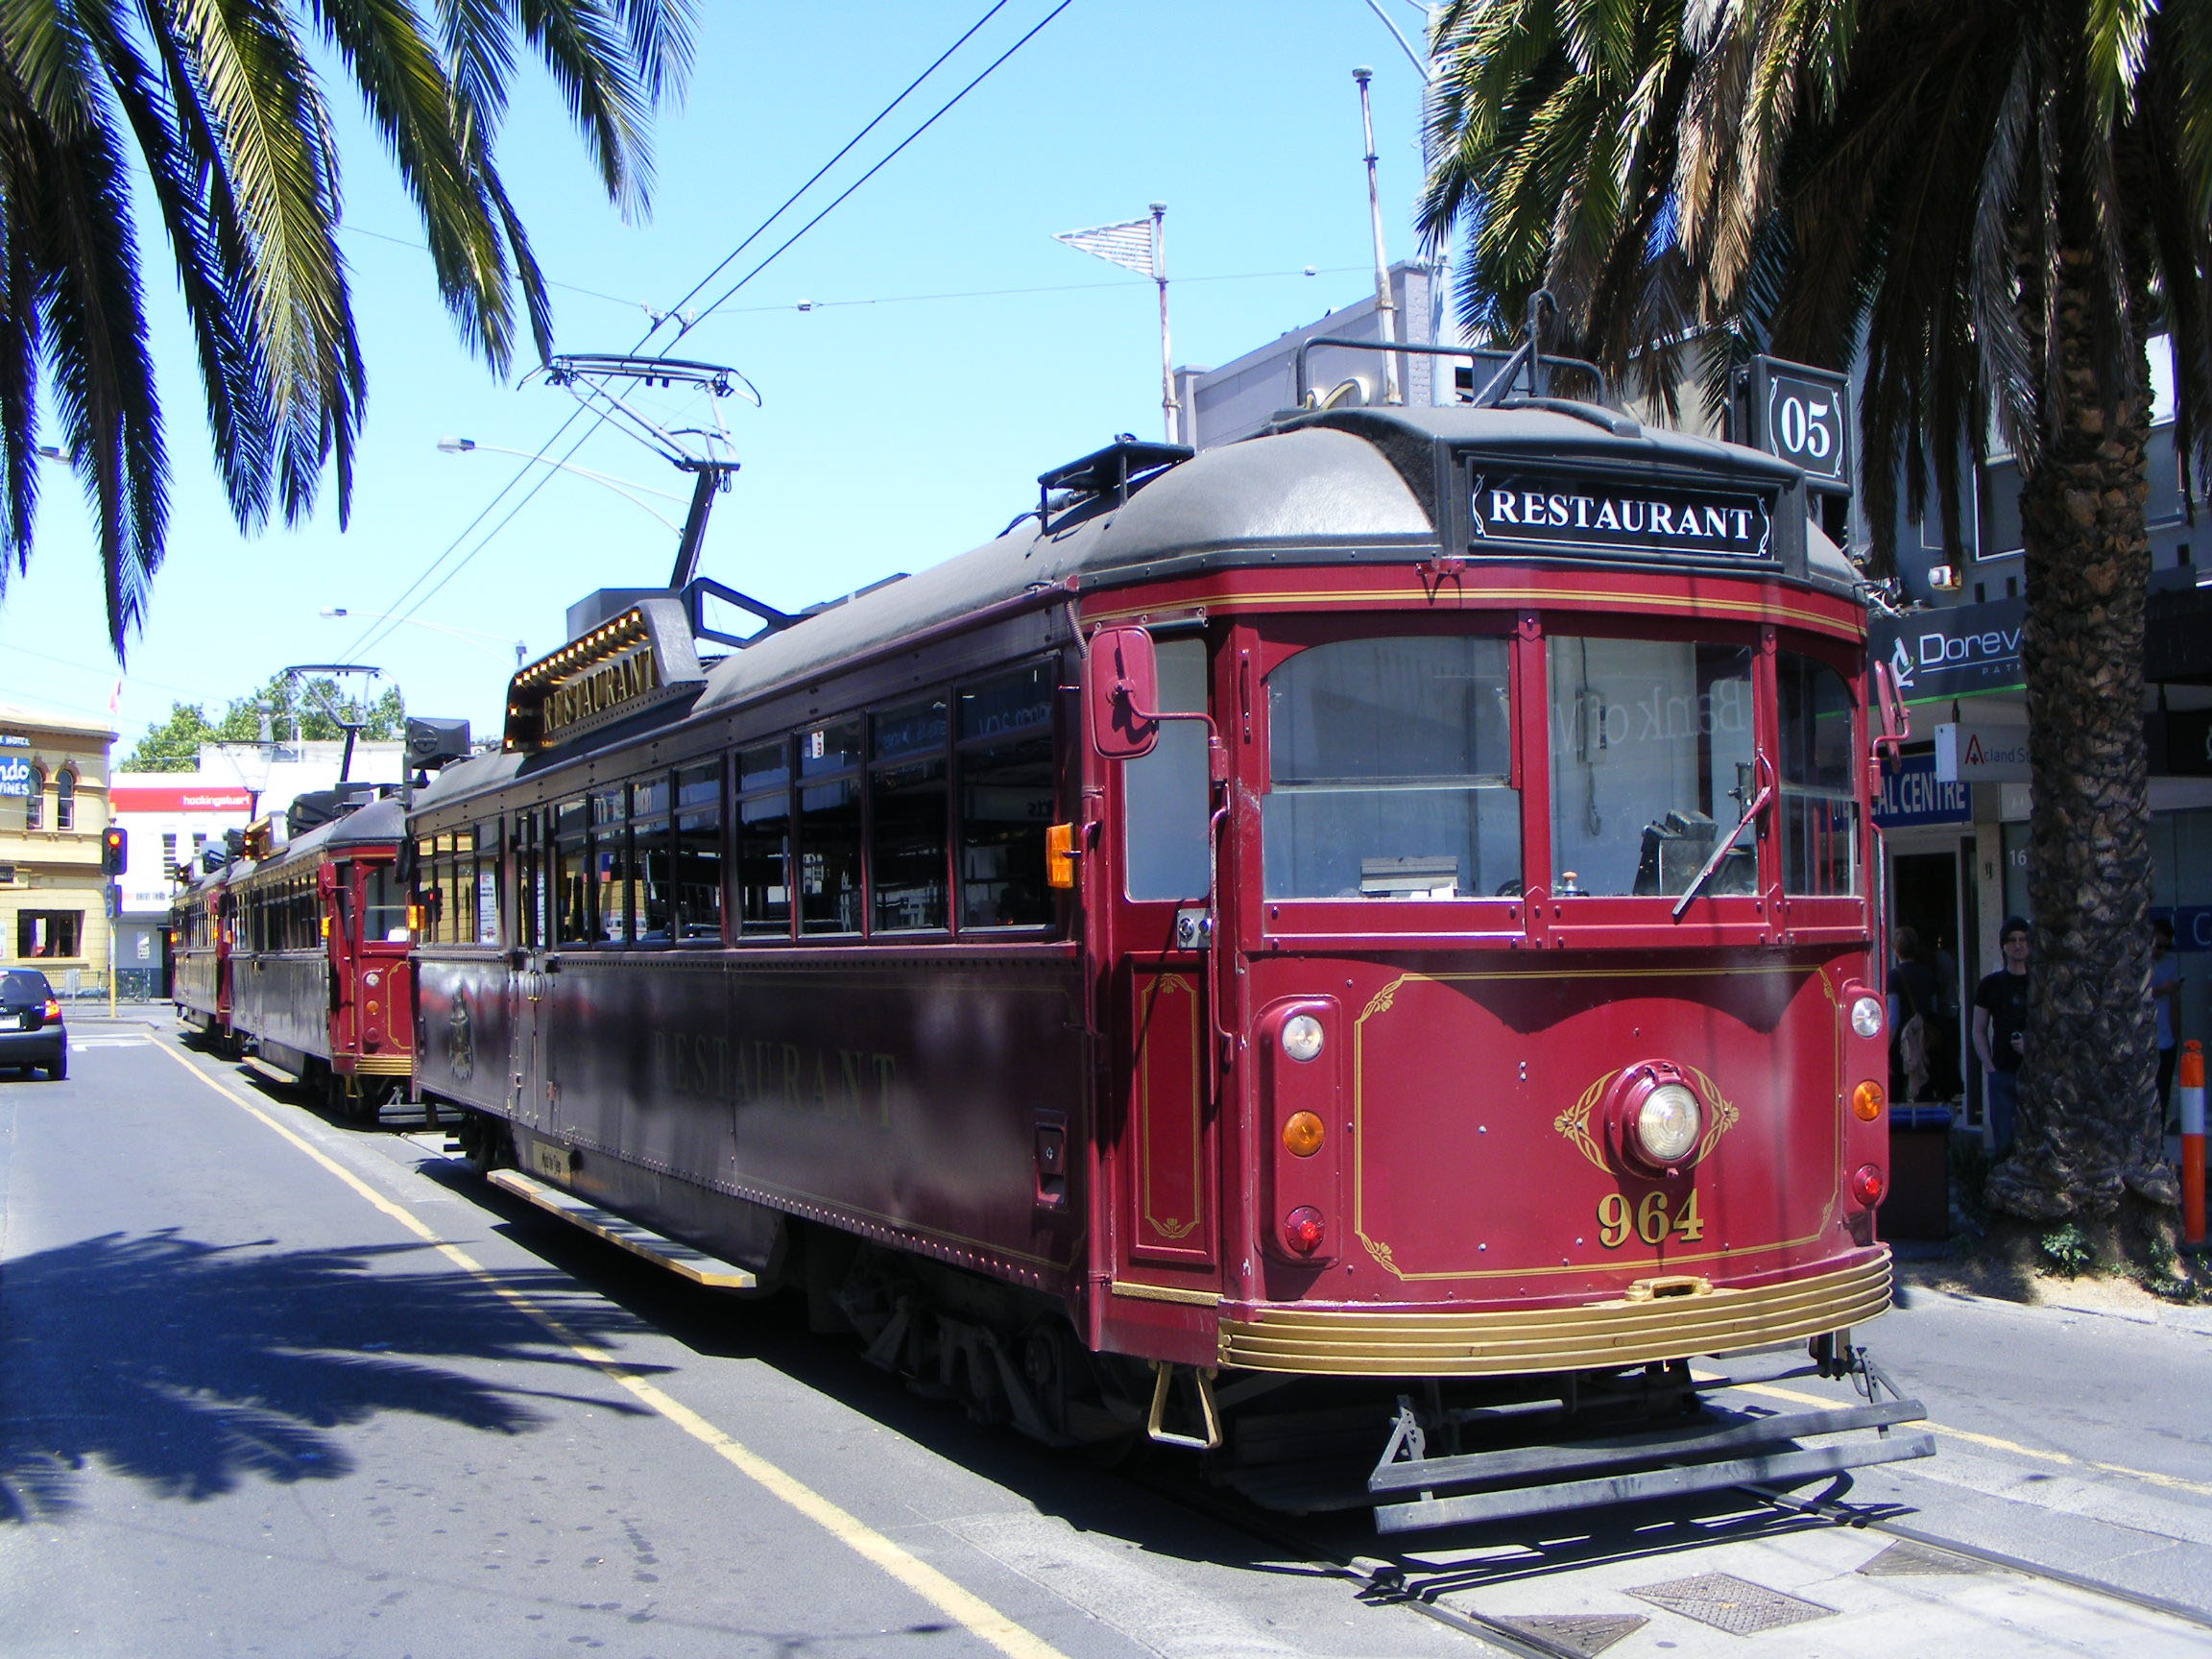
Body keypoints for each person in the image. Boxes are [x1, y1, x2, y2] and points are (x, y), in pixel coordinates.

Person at [1974, 917, 2032, 1157]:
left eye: (2023, 940)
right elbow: (1978, 1029)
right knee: (2005, 1145)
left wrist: (2031, 1047)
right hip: (2002, 1074)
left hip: (2035, 1075)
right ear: (2004, 946)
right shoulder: (1990, 985)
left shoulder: (2040, 982)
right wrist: (1990, 1067)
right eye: (2012, 940)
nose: (2018, 945)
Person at [1890, 926, 1941, 1101]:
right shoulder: (1927, 973)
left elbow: (1894, 1017)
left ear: (1895, 949)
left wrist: (1884, 1046)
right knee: (1923, 1086)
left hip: (1901, 1043)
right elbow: (1934, 1007)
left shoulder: (1894, 976)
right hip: (1924, 1039)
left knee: (1897, 1089)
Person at [2152, 917, 2181, 1132]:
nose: (2160, 951)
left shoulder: (2170, 964)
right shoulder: (2138, 962)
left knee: (2164, 1093)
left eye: (2165, 947)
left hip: (2166, 1039)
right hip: (2146, 1039)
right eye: (2157, 946)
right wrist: (2163, 989)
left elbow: (2174, 1001)